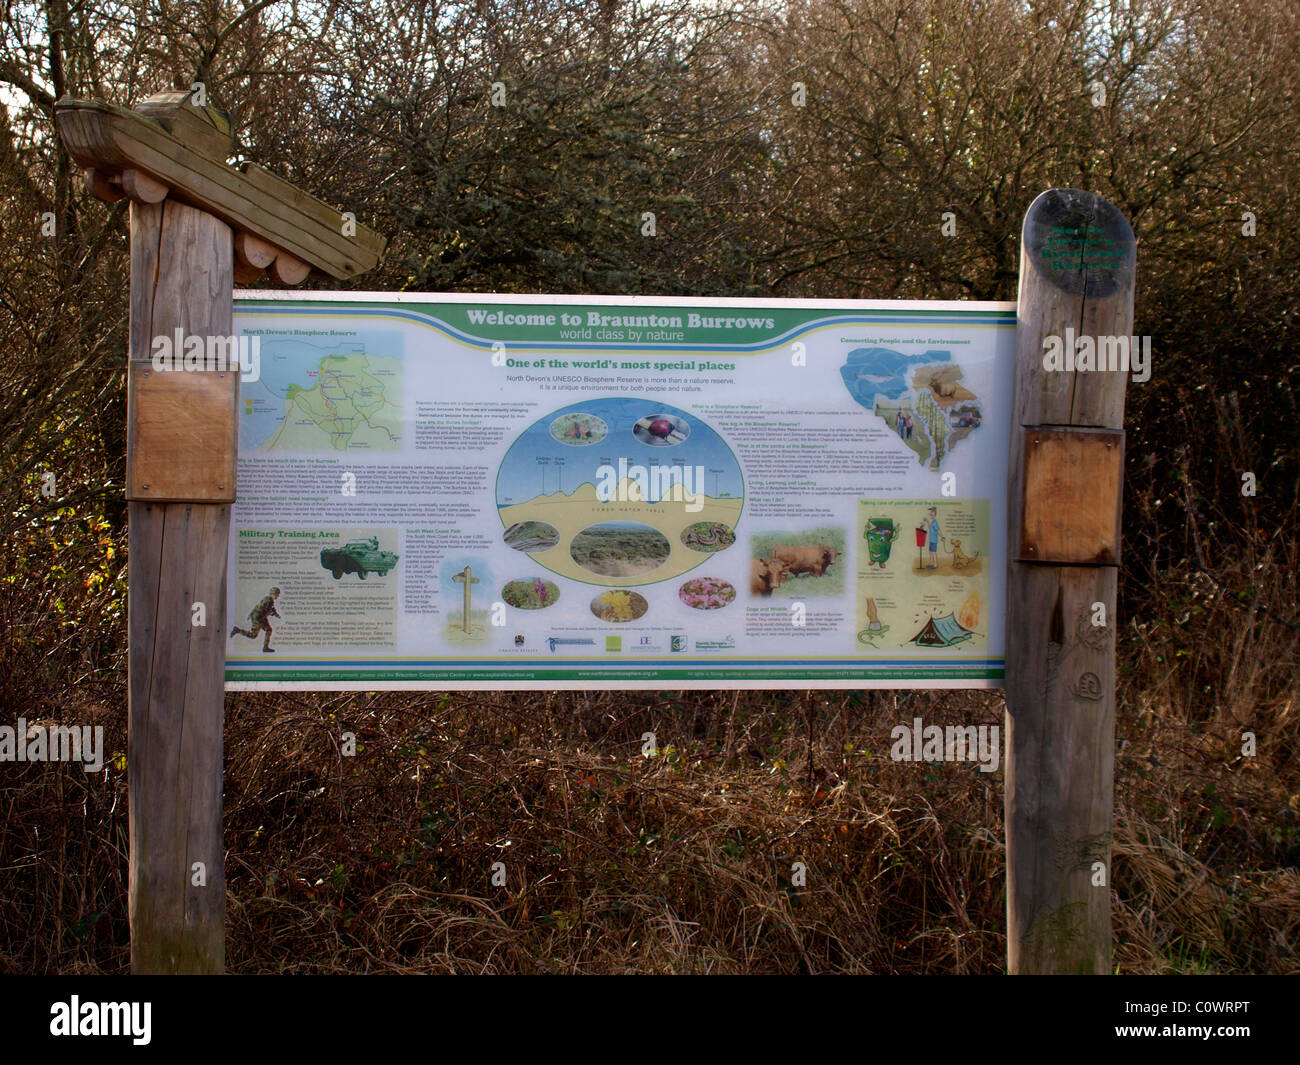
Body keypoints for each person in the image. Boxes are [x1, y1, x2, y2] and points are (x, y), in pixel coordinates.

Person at [230, 586, 281, 652]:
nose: (278, 596)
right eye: (277, 594)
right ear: (274, 594)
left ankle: (265, 647)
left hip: (261, 617)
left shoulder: (270, 600)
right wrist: (272, 613)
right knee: (253, 635)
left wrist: (276, 615)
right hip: (257, 617)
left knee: (269, 630)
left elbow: (271, 609)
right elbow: (265, 609)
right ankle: (237, 630)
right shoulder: (268, 600)